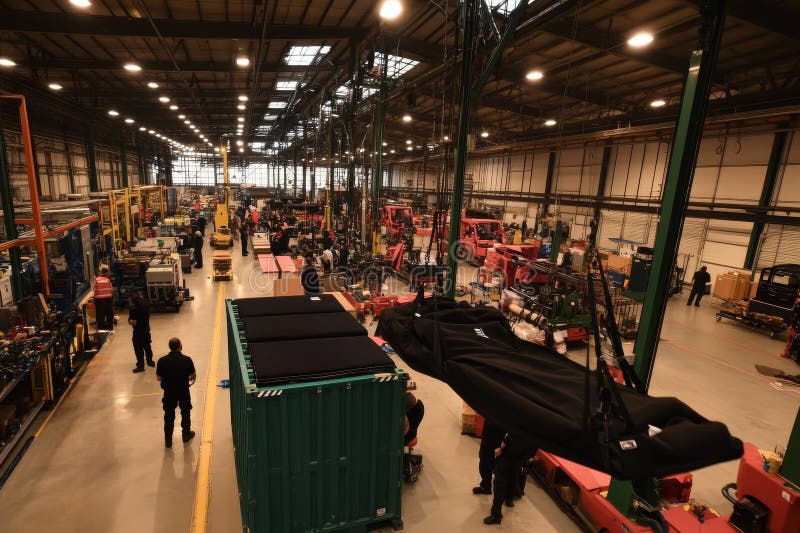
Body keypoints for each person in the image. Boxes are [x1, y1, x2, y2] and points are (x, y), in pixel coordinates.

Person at [484, 433, 533, 525]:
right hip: (520, 457)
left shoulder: (518, 425)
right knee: (513, 476)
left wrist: (501, 448)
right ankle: (509, 499)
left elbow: (510, 435)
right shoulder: (534, 429)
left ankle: (496, 515)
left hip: (509, 455)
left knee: (499, 484)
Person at [156, 338, 196, 448]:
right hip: (183, 391)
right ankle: (186, 435)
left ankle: (168, 440)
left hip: (169, 392)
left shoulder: (162, 361)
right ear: (180, 346)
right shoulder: (187, 360)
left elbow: (159, 378)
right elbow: (193, 376)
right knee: (185, 412)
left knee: (169, 415)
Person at [472, 420, 505, 495]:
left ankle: (486, 487)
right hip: (493, 439)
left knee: (484, 464)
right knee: (489, 462)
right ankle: (487, 484)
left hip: (490, 440)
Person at [129, 288, 153, 373]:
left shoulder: (134, 307)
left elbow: (133, 322)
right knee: (147, 346)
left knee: (138, 348)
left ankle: (140, 366)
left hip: (138, 332)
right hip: (146, 329)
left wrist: (129, 321)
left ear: (133, 295)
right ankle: (150, 361)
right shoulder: (146, 302)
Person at [93, 265, 115, 331]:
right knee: (109, 313)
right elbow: (111, 290)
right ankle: (110, 327)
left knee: (100, 314)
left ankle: (100, 327)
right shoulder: (107, 280)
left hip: (99, 300)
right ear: (106, 273)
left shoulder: (96, 280)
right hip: (108, 299)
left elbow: (94, 290)